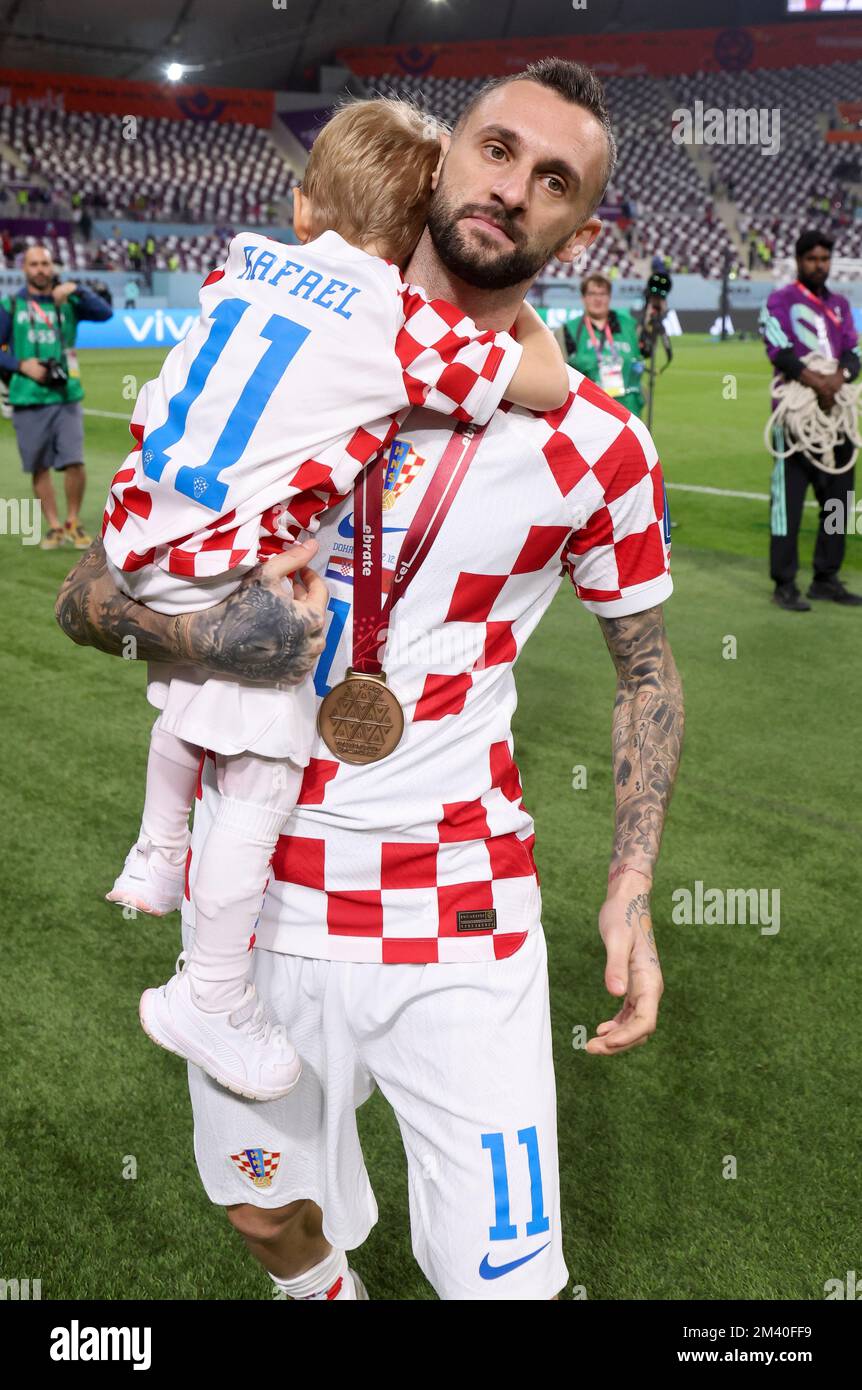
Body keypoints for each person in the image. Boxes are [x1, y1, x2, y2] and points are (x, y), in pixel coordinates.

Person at [56, 58, 682, 1302]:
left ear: (579, 225)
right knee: (268, 1215)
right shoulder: (296, 355)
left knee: (507, 1288)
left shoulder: (599, 449)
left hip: (463, 906)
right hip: (261, 897)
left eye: (553, 180)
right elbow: (89, 601)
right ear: (444, 157)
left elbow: (647, 673)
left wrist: (630, 882)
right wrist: (227, 644)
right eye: (497, 150)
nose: (514, 189)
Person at [98, 97, 569, 1105]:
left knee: (189, 693)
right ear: (413, 235)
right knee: (264, 760)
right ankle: (211, 991)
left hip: (138, 523)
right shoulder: (397, 322)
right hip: (221, 557)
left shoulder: (241, 260)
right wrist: (519, 294)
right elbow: (544, 379)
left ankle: (153, 848)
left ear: (307, 208)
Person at [759, 229, 862, 611]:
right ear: (800, 261)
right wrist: (817, 379)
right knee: (787, 502)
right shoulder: (779, 301)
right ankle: (784, 583)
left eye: (824, 259)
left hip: (835, 416)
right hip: (795, 419)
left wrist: (839, 378)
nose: (819, 265)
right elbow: (778, 349)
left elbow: (854, 352)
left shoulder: (840, 305)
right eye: (812, 259)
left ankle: (826, 577)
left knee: (839, 501)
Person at [0, 245, 112, 550]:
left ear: (53, 267)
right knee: (40, 465)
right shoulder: (11, 305)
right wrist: (22, 364)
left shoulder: (68, 301)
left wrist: (76, 288)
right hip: (28, 397)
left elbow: (106, 313)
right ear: (24, 269)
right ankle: (53, 526)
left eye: (45, 264)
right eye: (34, 264)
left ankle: (73, 522)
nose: (40, 269)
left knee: (74, 461)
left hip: (67, 395)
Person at [562, 271, 644, 416]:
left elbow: (645, 352)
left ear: (609, 297)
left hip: (628, 410)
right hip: (588, 411)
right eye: (592, 294)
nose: (597, 299)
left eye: (602, 294)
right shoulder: (570, 330)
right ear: (583, 298)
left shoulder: (629, 326)